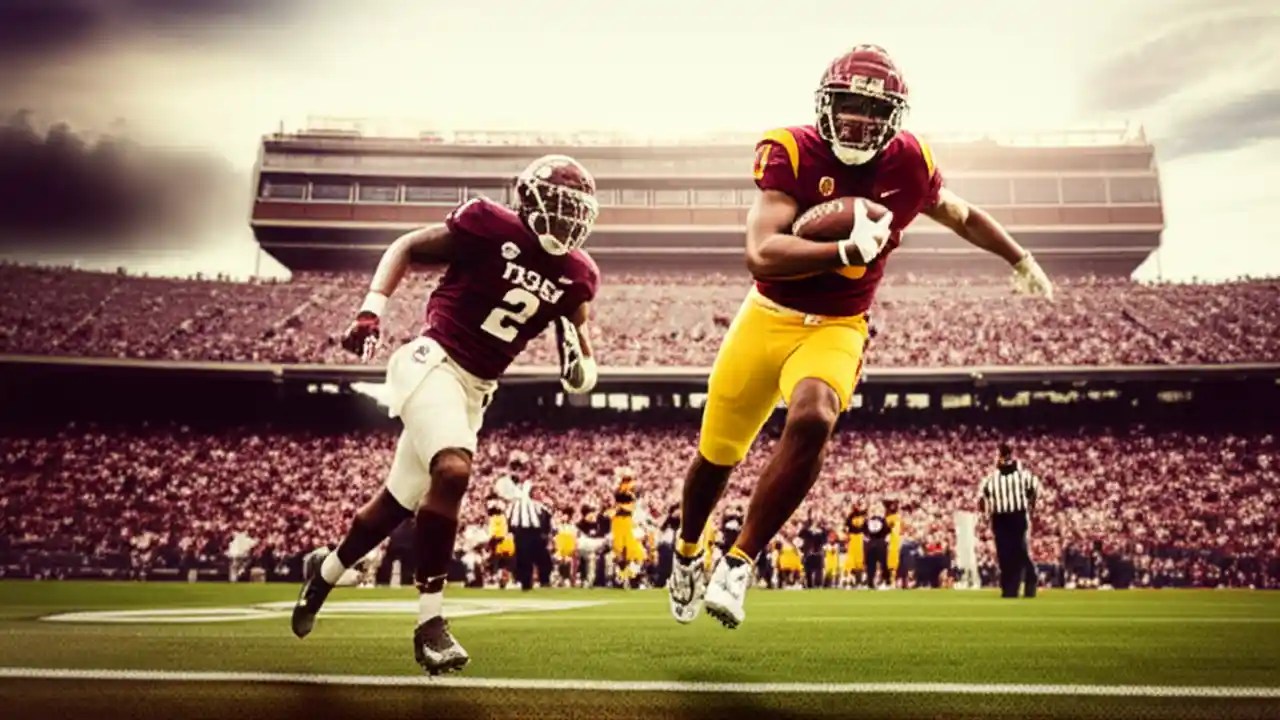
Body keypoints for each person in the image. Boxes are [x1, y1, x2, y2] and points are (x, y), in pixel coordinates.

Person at [668, 44, 1055, 628]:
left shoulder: (911, 162)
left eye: (876, 113)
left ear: (894, 120)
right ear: (826, 104)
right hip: (767, 315)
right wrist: (841, 249)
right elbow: (761, 253)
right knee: (717, 457)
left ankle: (739, 561)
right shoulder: (791, 149)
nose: (861, 121)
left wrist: (1018, 256)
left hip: (840, 325)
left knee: (815, 417)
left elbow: (962, 214)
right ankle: (687, 551)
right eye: (850, 106)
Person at [289, 154, 602, 675]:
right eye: (559, 206)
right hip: (431, 361)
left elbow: (582, 354)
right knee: (453, 470)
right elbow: (408, 245)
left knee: (394, 505)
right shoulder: (489, 225)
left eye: (577, 211)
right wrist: (372, 309)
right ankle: (430, 624)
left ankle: (324, 571)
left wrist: (580, 370)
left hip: (475, 390)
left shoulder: (578, 274)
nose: (568, 221)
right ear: (529, 199)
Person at [979, 443, 1042, 598]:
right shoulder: (993, 479)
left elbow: (1034, 489)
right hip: (1002, 517)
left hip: (1014, 516)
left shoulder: (1020, 475)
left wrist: (1029, 507)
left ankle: (1028, 578)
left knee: (1017, 550)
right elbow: (982, 497)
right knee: (1005, 554)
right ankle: (1010, 587)